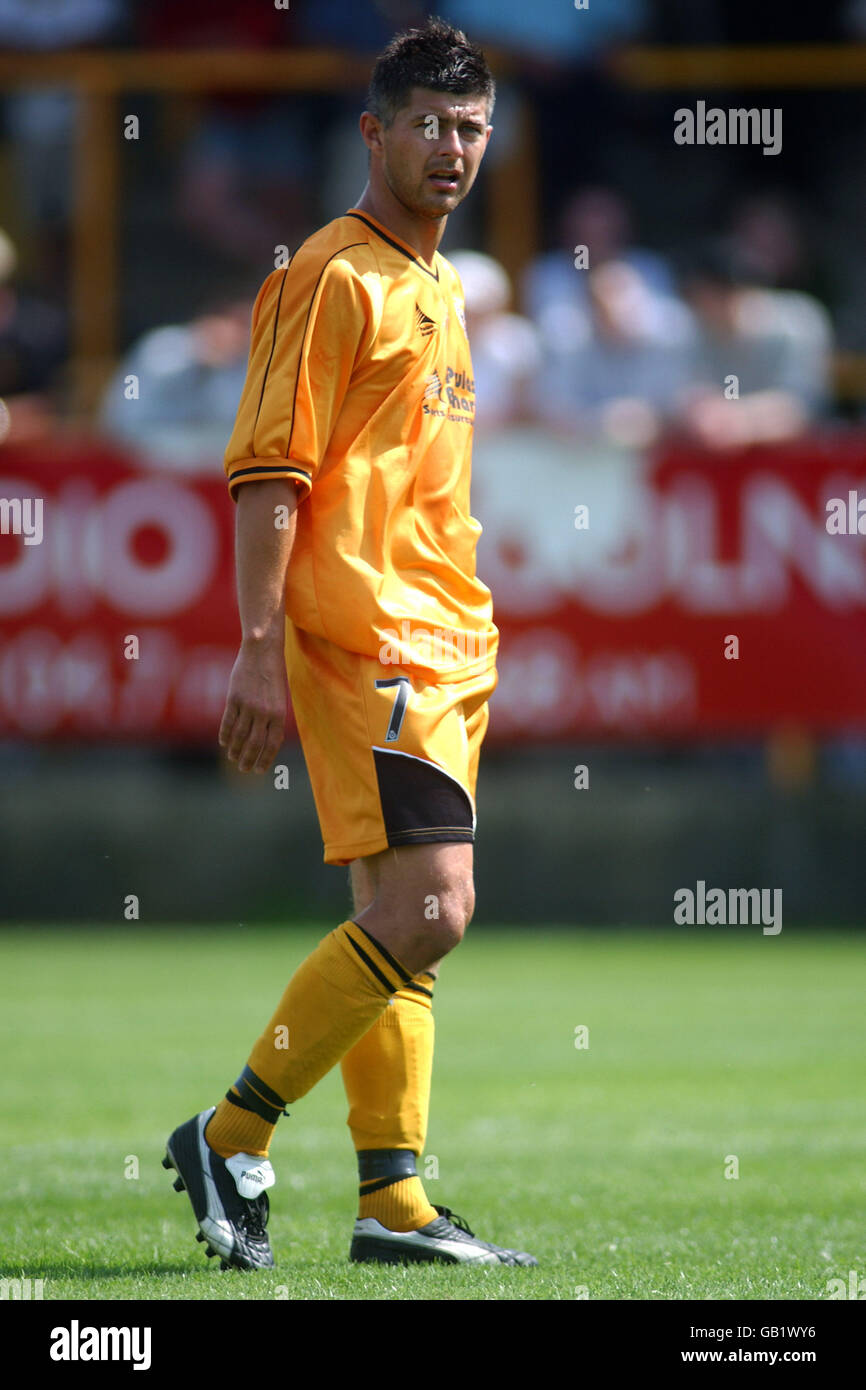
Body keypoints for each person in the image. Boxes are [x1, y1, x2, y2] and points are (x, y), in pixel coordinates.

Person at [163, 18, 537, 1271]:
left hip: (441, 634)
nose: (451, 147)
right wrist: (256, 646)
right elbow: (270, 474)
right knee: (435, 906)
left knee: (394, 912)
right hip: (364, 636)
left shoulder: (437, 285)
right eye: (427, 123)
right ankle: (231, 1129)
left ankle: (391, 1202)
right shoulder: (330, 272)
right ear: (372, 133)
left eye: (470, 126)